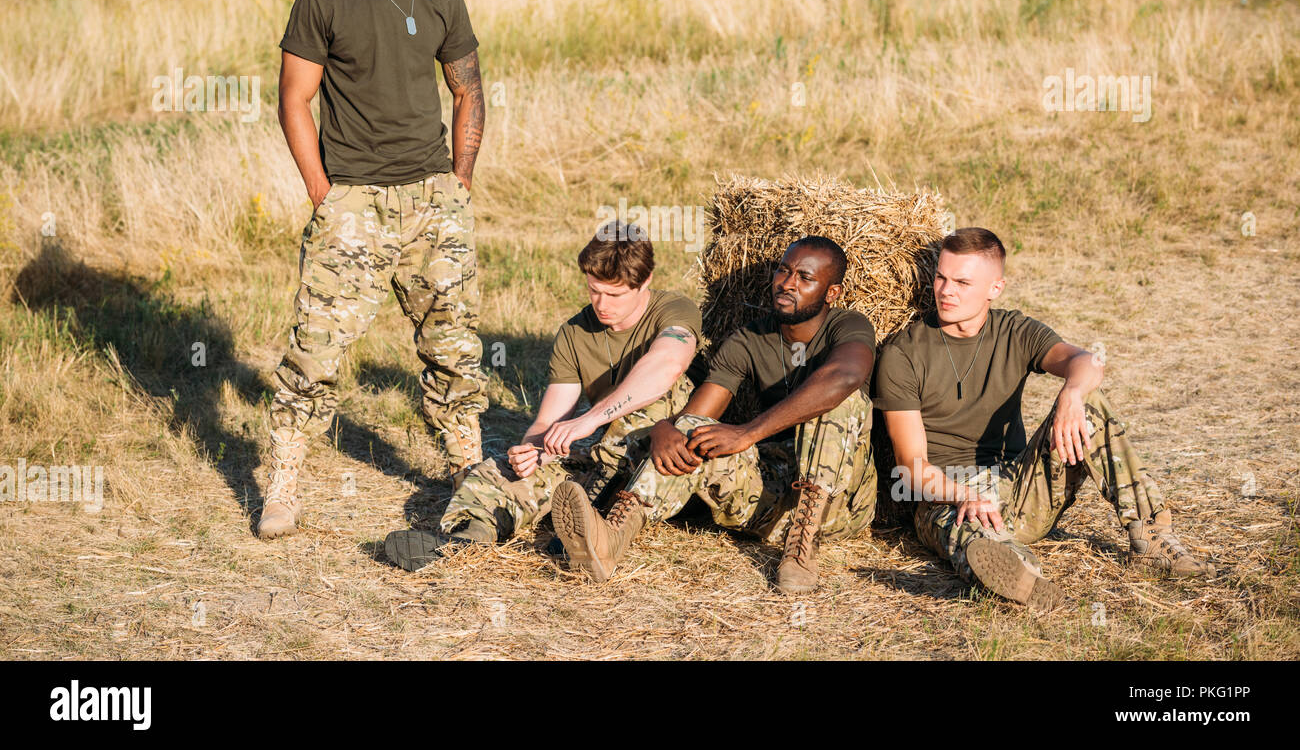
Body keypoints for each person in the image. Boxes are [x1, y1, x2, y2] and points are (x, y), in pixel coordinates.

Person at [258, 0, 489, 539]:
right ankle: (283, 482)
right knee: (314, 352)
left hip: (431, 199)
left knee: (453, 347)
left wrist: (460, 180)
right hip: (352, 199)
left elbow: (469, 90)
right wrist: (322, 191)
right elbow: (292, 99)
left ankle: (467, 477)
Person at [874, 226, 1215, 611]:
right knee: (973, 530)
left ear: (995, 288)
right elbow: (912, 468)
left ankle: (1151, 536)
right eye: (941, 277)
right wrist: (967, 494)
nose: (945, 291)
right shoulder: (903, 354)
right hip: (949, 495)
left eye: (962, 282)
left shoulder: (1014, 330)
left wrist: (1071, 394)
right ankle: (1019, 574)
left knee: (1088, 403)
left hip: (1020, 487)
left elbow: (1088, 361)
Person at [550, 236, 877, 594]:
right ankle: (611, 537)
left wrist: (748, 432)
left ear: (832, 293)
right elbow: (699, 415)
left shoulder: (848, 326)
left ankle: (801, 551)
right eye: (783, 270)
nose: (787, 283)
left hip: (839, 506)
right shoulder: (749, 340)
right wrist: (665, 429)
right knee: (690, 432)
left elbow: (844, 376)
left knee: (841, 398)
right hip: (771, 499)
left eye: (804, 277)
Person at [384, 223, 702, 570]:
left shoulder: (675, 309)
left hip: (663, 459)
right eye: (594, 291)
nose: (601, 305)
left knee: (647, 408)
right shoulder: (575, 332)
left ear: (646, 281)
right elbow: (549, 419)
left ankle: (601, 532)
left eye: (615, 295)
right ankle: (464, 543)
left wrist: (589, 419)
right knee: (496, 470)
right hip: (602, 458)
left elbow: (668, 364)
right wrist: (531, 453)